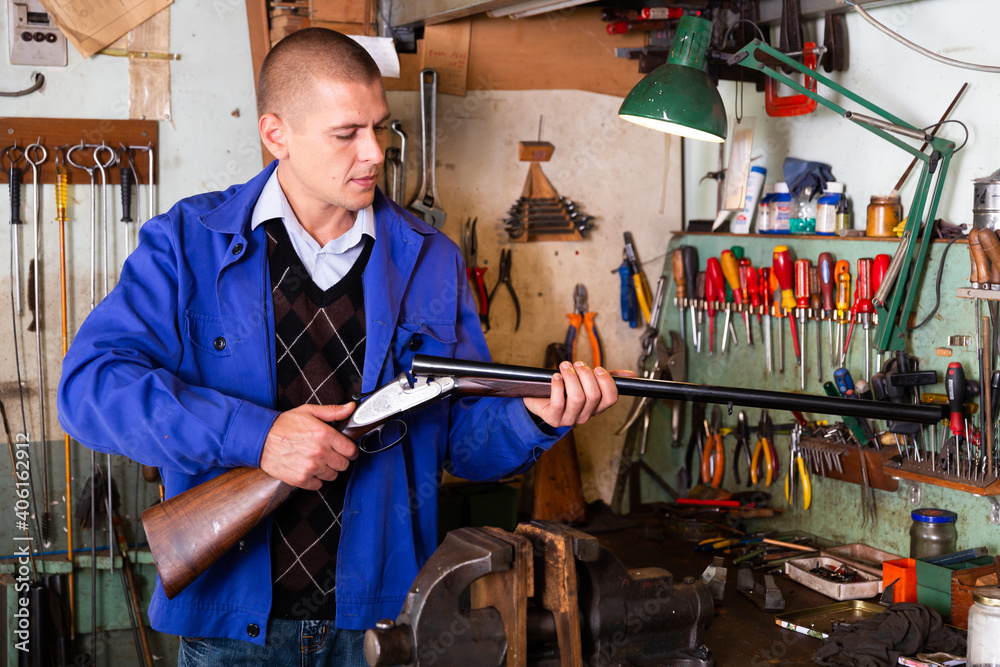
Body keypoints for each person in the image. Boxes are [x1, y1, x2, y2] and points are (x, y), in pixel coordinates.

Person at [58, 28, 622, 666]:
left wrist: (534, 417)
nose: (374, 153)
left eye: (380, 128)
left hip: (381, 627)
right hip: (231, 634)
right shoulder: (188, 242)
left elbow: (462, 442)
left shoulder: (430, 260)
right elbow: (89, 390)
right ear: (277, 135)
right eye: (346, 133)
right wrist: (257, 437)